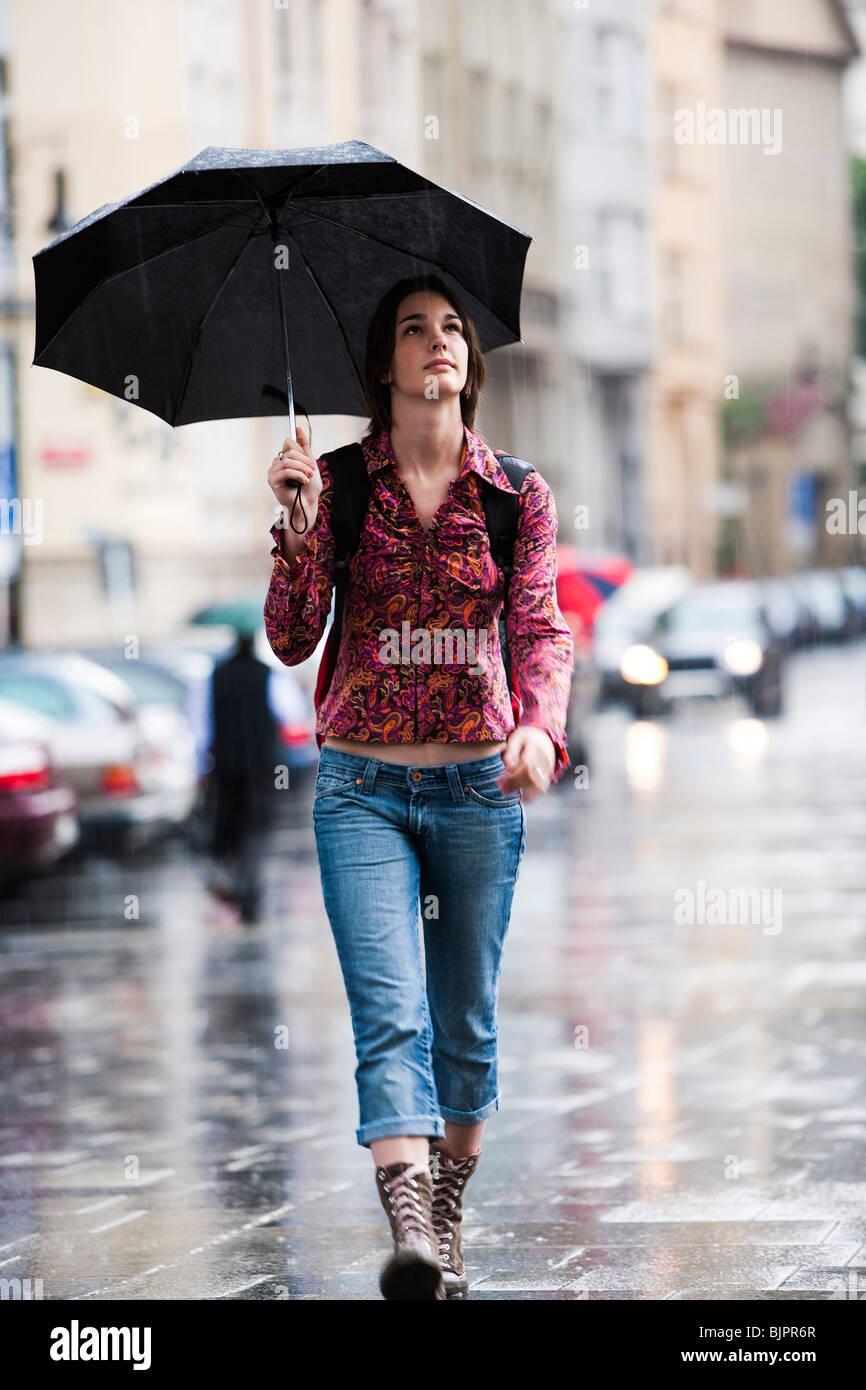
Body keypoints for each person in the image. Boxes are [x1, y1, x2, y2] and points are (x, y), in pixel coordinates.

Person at [264, 274, 574, 1299]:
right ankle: (406, 1229)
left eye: (449, 330)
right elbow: (288, 637)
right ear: (385, 366)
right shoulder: (344, 481)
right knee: (388, 1012)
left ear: (468, 366)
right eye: (411, 329)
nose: (435, 342)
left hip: (477, 790)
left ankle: (445, 1210)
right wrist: (302, 530)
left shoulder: (513, 492)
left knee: (465, 1022)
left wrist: (538, 724)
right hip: (361, 790)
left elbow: (537, 624)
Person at [204, 628, 281, 925]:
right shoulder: (265, 672)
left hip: (226, 766)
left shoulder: (218, 673)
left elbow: (209, 721)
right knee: (255, 828)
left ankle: (239, 884)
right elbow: (277, 716)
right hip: (259, 767)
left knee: (231, 826)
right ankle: (249, 890)